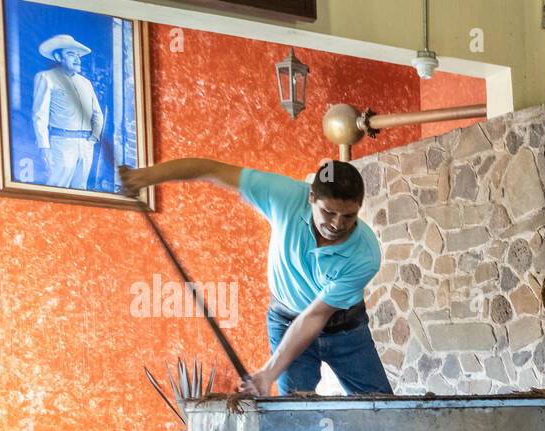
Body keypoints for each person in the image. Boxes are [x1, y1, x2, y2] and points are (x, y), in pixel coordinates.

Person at [119, 158, 392, 396]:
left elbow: (315, 316)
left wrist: (268, 373)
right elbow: (211, 169)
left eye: (349, 216)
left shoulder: (365, 253)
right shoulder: (283, 195)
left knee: (383, 409)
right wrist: (145, 177)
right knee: (294, 417)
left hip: (344, 328)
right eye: (328, 212)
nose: (337, 224)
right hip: (286, 320)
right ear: (311, 198)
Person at [32, 34, 104, 189]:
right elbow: (40, 115)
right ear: (58, 57)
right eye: (71, 54)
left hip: (85, 145)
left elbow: (97, 114)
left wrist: (94, 137)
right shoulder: (46, 77)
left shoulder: (86, 83)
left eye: (78, 55)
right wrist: (44, 146)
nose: (77, 59)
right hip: (61, 144)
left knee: (81, 189)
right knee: (57, 187)